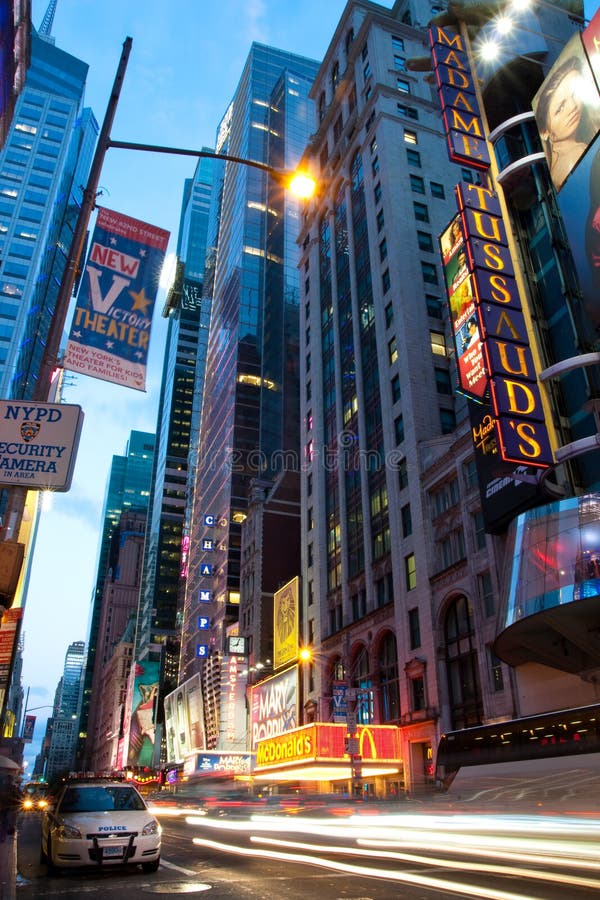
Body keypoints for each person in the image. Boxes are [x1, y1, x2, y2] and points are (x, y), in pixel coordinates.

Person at [535, 55, 599, 192]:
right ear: (544, 131)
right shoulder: (579, 152)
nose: (573, 107)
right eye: (560, 108)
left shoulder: (557, 167)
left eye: (574, 94)